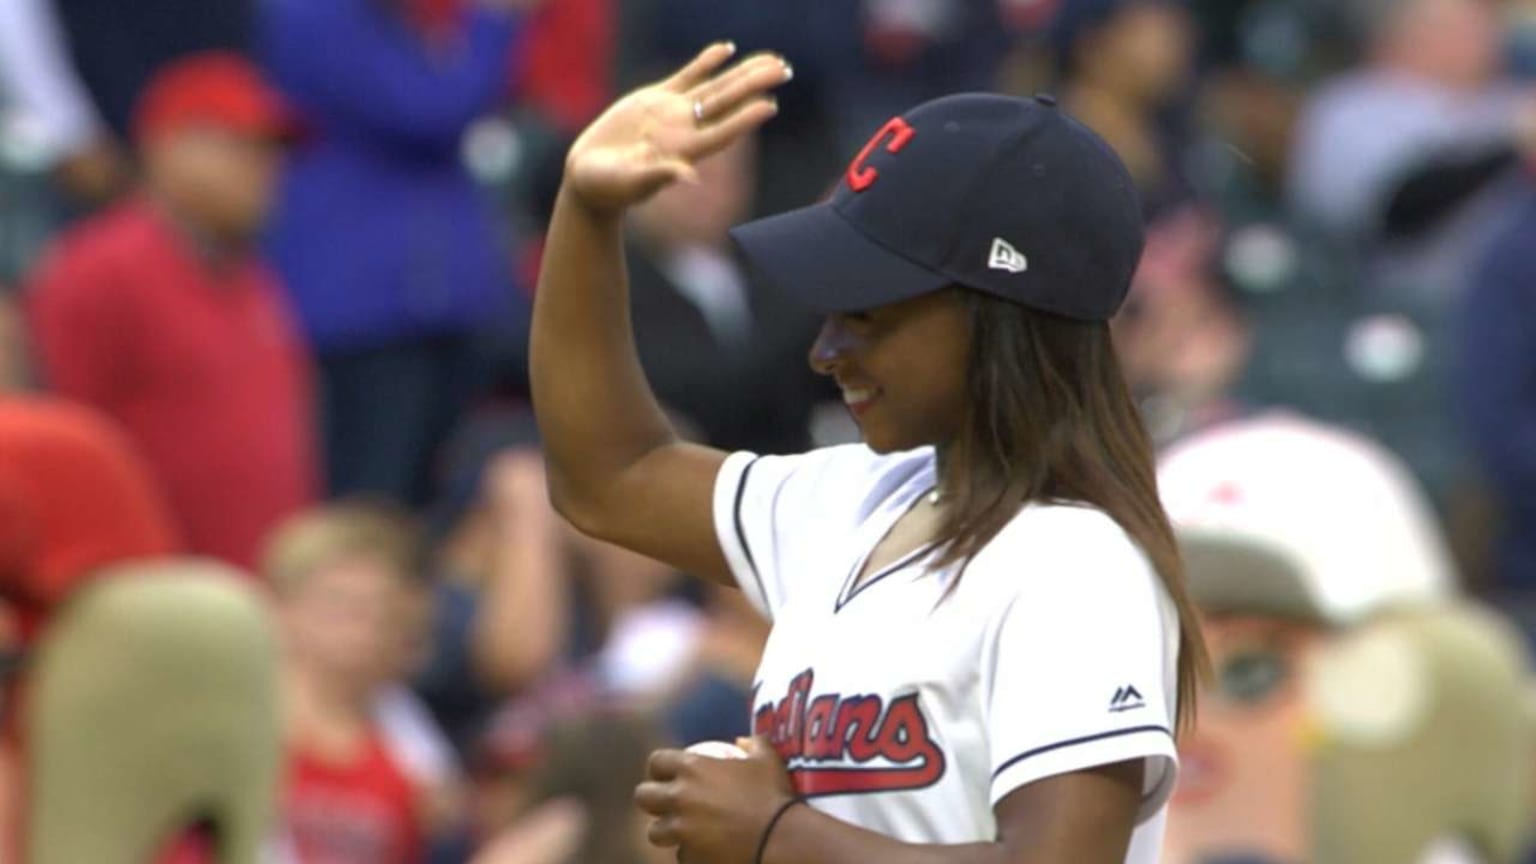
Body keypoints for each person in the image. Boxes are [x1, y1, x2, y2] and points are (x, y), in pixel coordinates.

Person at [530, 43, 1208, 863]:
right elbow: (611, 476)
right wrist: (587, 212)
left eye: (868, 312)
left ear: (998, 312)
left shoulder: (1074, 560)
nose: (826, 349)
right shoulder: (860, 498)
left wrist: (776, 835)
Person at [25, 51, 318, 572]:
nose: (265, 170)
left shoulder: (253, 273)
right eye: (239, 147)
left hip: (253, 584)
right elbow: (61, 435)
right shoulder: (103, 268)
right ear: (167, 148)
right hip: (151, 588)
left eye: (270, 153)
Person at [259, 0, 531, 506]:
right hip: (363, 311)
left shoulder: (409, 19)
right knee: (373, 499)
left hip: (439, 306)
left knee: (436, 502)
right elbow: (426, 108)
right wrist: (496, 21)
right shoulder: (315, 14)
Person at [265, 504, 433, 864]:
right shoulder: (246, 723)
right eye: (339, 603)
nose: (361, 626)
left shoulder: (410, 745)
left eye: (377, 610)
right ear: (281, 609)